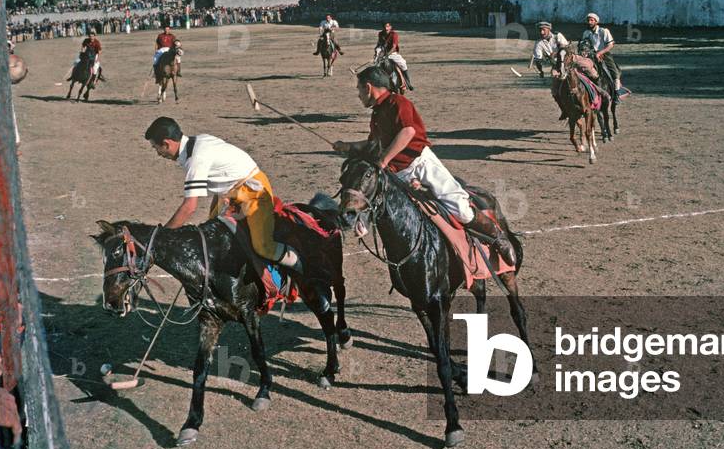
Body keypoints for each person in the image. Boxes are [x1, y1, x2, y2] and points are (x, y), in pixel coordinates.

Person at [332, 67, 514, 264]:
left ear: (368, 87)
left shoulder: (398, 102)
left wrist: (383, 160)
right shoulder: (377, 113)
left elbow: (407, 132)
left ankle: (498, 238)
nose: (358, 95)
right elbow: (373, 143)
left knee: (461, 208)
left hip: (420, 163)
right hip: (397, 172)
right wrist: (348, 146)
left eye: (359, 90)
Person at [143, 117, 305, 274]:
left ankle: (303, 266)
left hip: (253, 191)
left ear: (166, 143)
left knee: (263, 247)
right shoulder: (196, 142)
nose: (158, 153)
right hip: (229, 193)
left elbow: (189, 207)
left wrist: (161, 238)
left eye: (156, 147)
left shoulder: (195, 159)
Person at [580, 12, 621, 91]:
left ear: (596, 22)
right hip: (589, 56)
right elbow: (583, 46)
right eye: (588, 20)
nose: (589, 22)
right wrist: (583, 52)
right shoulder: (586, 33)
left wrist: (599, 53)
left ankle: (617, 92)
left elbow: (611, 45)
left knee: (614, 71)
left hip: (603, 54)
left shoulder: (603, 31)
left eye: (592, 20)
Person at [374, 22, 413, 90]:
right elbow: (379, 43)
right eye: (384, 27)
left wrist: (387, 55)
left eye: (387, 26)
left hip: (392, 53)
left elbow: (394, 47)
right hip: (383, 53)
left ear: (390, 27)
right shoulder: (380, 34)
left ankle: (408, 82)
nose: (386, 28)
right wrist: (376, 51)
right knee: (376, 64)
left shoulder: (394, 34)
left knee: (403, 64)